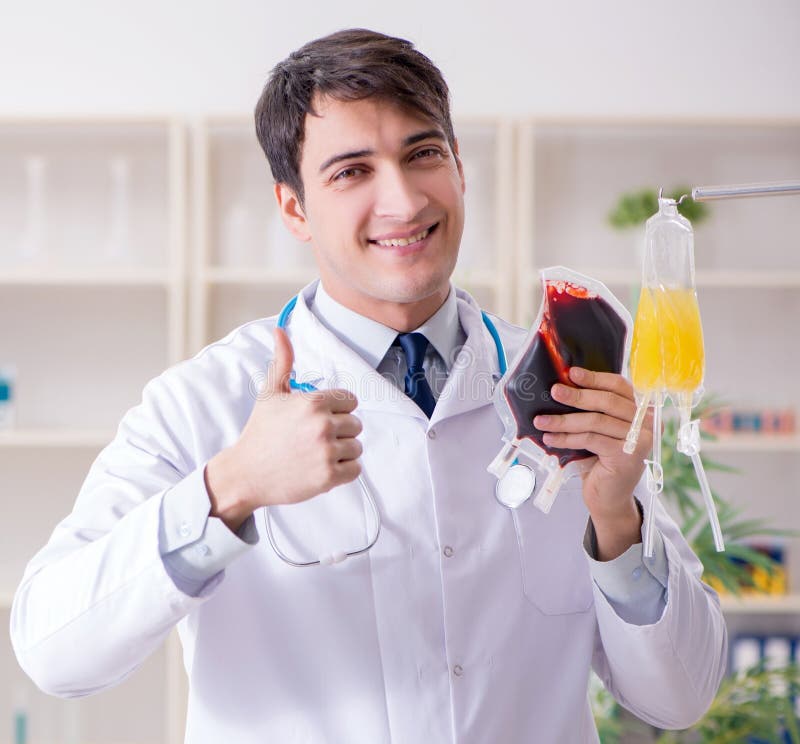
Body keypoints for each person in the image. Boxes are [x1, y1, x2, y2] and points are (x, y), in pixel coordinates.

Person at [10, 28, 727, 743]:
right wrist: (229, 489)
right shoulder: (202, 402)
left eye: (423, 154)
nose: (404, 200)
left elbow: (682, 696)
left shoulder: (570, 380)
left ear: (460, 170)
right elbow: (53, 650)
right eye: (352, 172)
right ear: (293, 208)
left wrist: (616, 519)